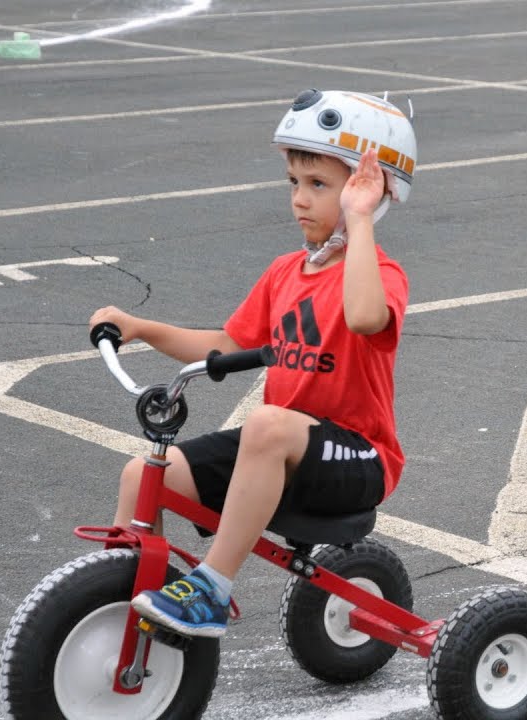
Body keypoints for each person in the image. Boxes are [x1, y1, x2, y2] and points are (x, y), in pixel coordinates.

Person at [87, 89, 417, 637]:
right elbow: (222, 343)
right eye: (295, 183)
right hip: (281, 448)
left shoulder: (381, 276)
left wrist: (359, 221)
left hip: (359, 459)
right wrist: (140, 328)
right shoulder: (285, 272)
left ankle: (212, 588)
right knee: (144, 473)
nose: (300, 199)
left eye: (320, 185)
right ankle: (116, 604)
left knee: (265, 424)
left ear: (373, 192)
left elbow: (362, 318)